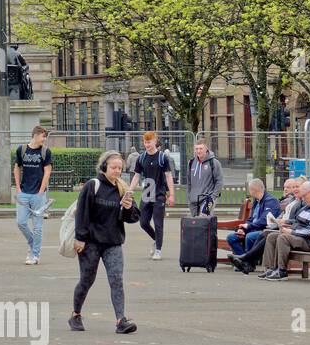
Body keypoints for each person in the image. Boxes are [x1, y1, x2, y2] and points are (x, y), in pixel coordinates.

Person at [70, 151, 141, 334]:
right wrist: (80, 238)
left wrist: (128, 208)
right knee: (87, 280)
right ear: (104, 167)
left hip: (113, 242)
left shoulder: (122, 188)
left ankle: (120, 320)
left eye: (120, 168)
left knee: (116, 279)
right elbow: (82, 214)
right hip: (91, 242)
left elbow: (133, 217)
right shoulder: (92, 186)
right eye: (113, 167)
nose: (117, 171)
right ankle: (76, 314)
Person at [255, 181, 310, 281]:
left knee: (283, 237)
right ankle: (271, 269)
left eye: (304, 196)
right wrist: (285, 222)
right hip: (301, 238)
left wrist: (291, 232)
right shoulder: (308, 205)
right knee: (272, 236)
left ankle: (281, 271)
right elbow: (297, 220)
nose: (303, 199)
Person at [129, 130, 176, 260]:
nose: (147, 144)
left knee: (158, 223)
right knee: (143, 222)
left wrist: (171, 194)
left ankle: (158, 250)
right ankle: (156, 240)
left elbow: (168, 176)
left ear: (155, 141)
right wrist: (129, 191)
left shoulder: (162, 157)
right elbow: (137, 176)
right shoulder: (141, 158)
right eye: (145, 142)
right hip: (147, 193)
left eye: (149, 142)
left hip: (159, 194)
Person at [13, 125, 53, 265]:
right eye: (43, 136)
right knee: (21, 222)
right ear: (35, 135)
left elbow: (47, 171)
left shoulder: (45, 152)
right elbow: (17, 168)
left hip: (38, 194)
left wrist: (41, 190)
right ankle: (32, 243)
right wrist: (18, 187)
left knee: (37, 227)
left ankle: (35, 255)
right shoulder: (22, 150)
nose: (44, 139)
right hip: (23, 192)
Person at [224, 179, 281, 273]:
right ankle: (244, 263)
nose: (249, 192)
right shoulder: (257, 201)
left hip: (263, 230)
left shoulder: (271, 201)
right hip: (253, 228)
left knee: (250, 237)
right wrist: (243, 228)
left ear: (254, 190)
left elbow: (264, 220)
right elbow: (251, 219)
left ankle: (249, 264)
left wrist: (249, 227)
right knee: (232, 237)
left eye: (249, 190)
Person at [186, 138, 222, 216]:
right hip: (193, 200)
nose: (198, 151)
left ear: (206, 149)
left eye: (201, 148)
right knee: (195, 224)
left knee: (204, 222)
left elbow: (219, 181)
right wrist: (189, 196)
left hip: (207, 199)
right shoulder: (191, 163)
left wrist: (213, 197)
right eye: (196, 149)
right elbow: (189, 182)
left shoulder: (214, 163)